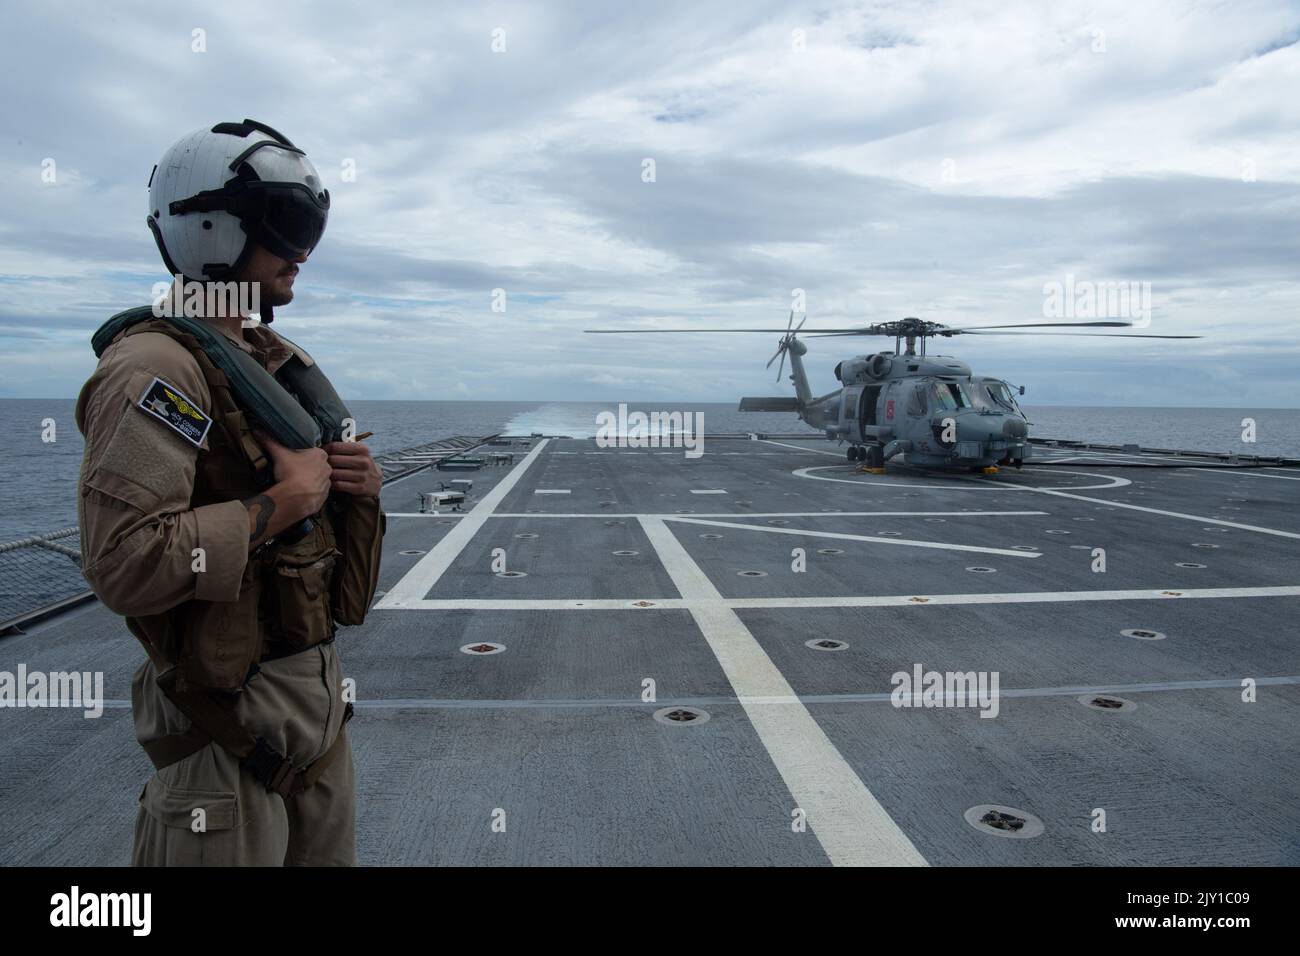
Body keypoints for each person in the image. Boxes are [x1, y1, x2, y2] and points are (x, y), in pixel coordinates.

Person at [75, 119, 384, 865]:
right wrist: (286, 503)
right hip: (226, 733)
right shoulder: (155, 369)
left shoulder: (275, 362)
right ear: (211, 232)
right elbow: (123, 563)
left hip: (315, 715)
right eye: (286, 226)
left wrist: (357, 491)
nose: (302, 253)